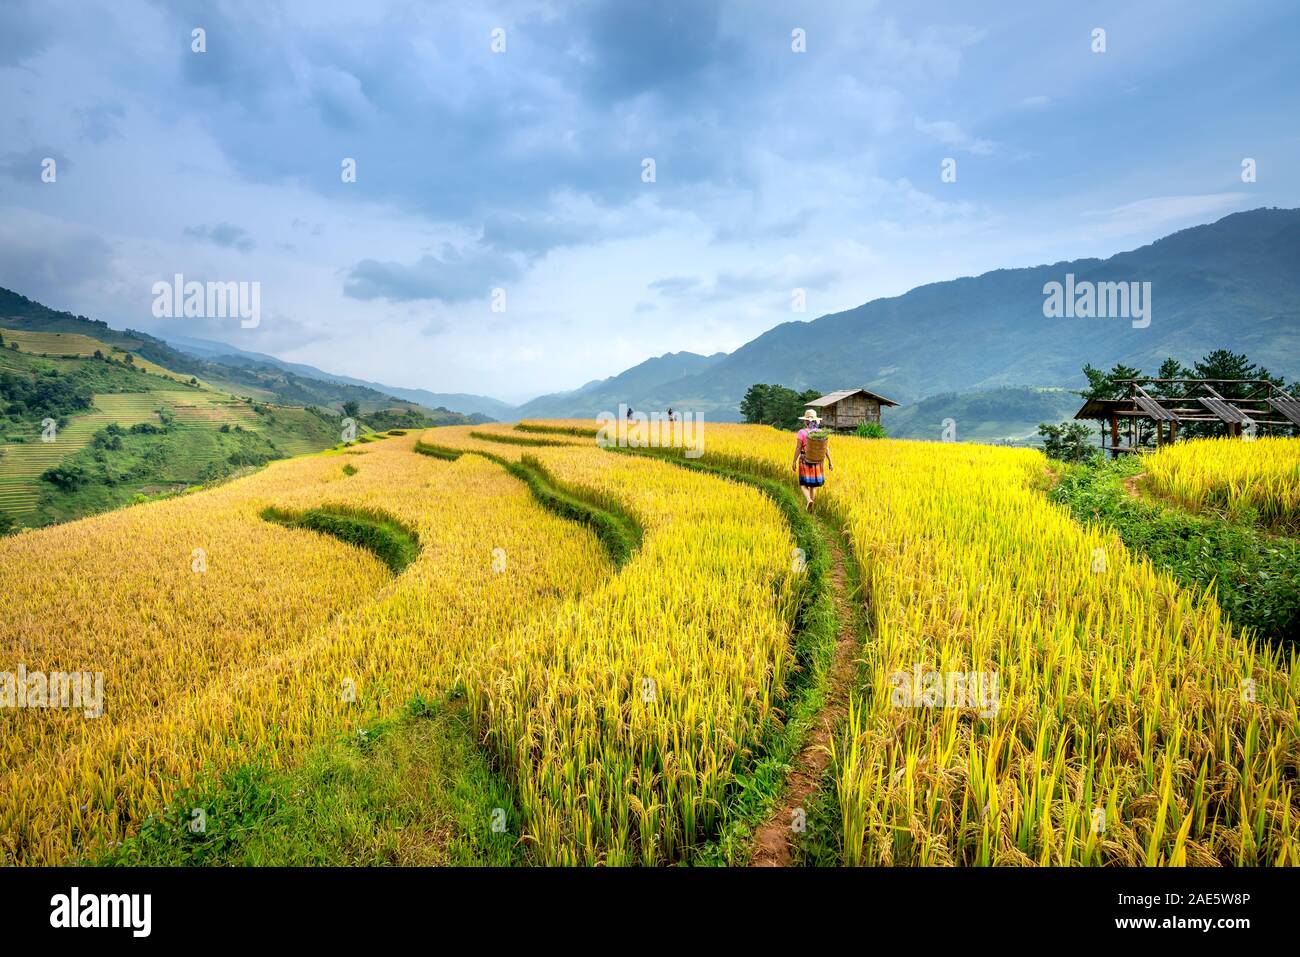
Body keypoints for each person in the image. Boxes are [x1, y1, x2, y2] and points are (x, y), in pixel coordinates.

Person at [792, 408, 832, 511]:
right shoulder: (820, 432)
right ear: (815, 421)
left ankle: (809, 500)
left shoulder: (802, 432)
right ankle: (811, 509)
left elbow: (798, 448)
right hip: (818, 461)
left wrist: (794, 461)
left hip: (805, 459)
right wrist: (830, 462)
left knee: (803, 484)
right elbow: (825, 448)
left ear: (805, 421)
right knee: (813, 486)